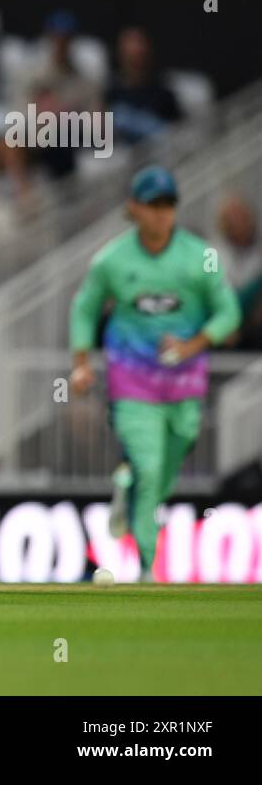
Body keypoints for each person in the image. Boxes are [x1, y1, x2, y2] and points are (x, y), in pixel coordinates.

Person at [69, 166, 241, 581]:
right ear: (134, 208)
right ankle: (148, 567)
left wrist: (192, 346)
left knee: (165, 472)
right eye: (153, 205)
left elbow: (228, 312)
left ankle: (128, 495)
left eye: (168, 205)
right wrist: (80, 364)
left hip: (185, 384)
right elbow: (85, 308)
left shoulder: (199, 256)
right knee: (148, 467)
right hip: (132, 382)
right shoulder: (112, 260)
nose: (162, 214)